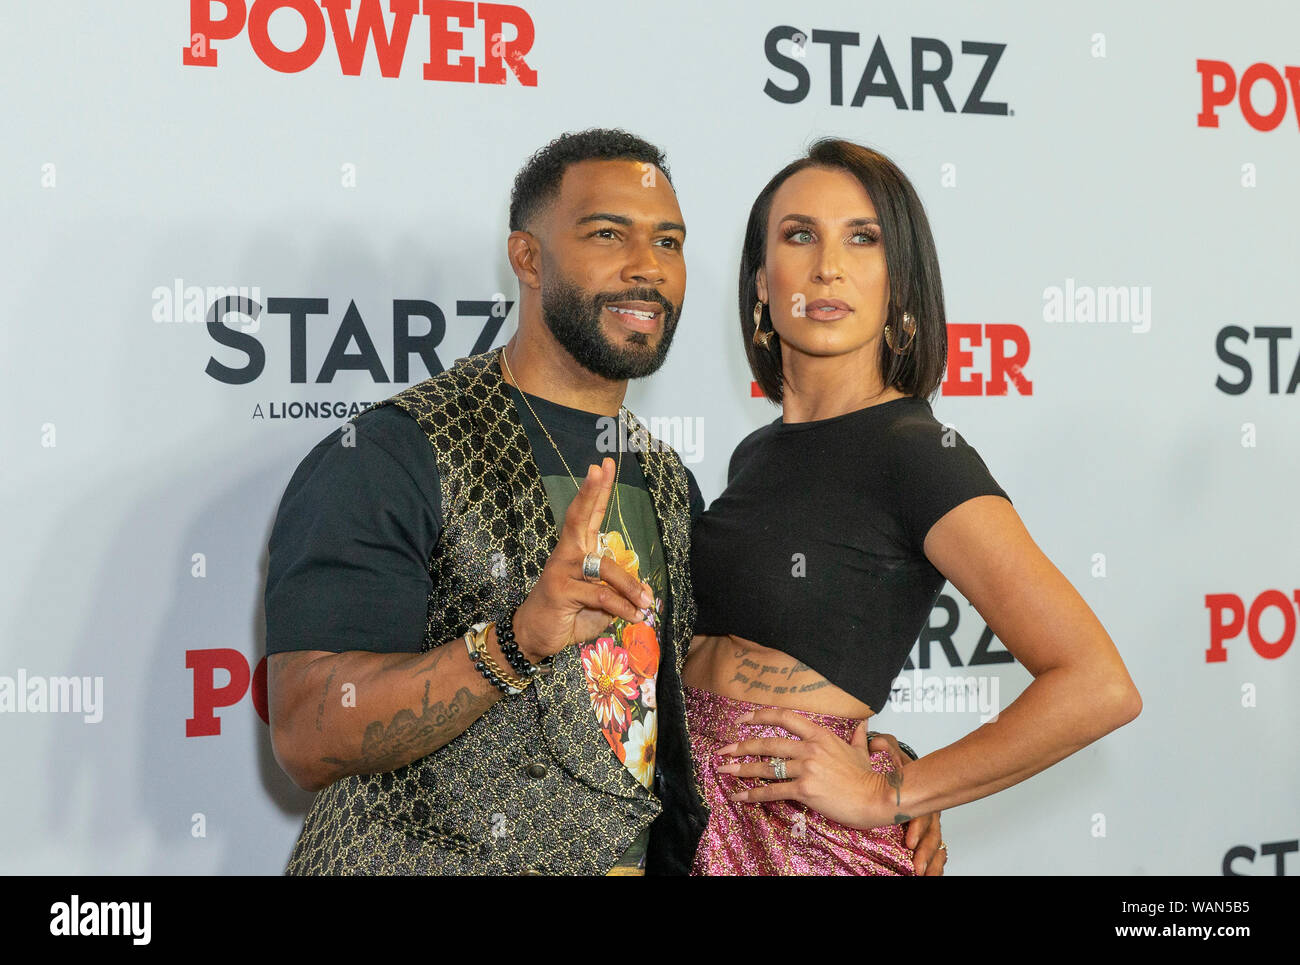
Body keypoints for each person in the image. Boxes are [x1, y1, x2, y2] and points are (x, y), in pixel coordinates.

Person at [264, 128, 943, 875]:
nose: (646, 267)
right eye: (607, 233)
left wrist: (885, 769)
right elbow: (304, 732)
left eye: (669, 241)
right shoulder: (395, 453)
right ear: (527, 257)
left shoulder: (665, 480)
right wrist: (512, 644)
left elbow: (706, 701)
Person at [683, 138, 1143, 876]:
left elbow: (1097, 684)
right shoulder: (756, 454)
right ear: (761, 282)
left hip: (802, 848)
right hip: (698, 822)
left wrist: (893, 790)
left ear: (899, 283)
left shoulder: (917, 450)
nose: (828, 265)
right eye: (799, 235)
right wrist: (890, 752)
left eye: (862, 239)